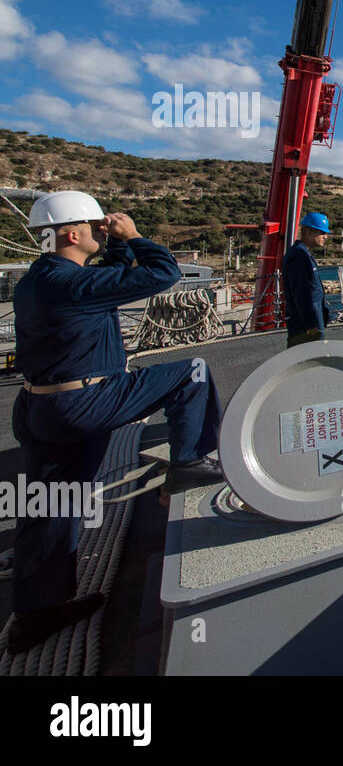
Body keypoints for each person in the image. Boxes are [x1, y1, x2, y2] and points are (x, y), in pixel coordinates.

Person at [9, 191, 224, 653]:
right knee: (192, 373)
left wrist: (113, 245)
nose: (100, 231)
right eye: (93, 226)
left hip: (40, 408)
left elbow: (113, 278)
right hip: (84, 403)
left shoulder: (39, 280)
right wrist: (136, 236)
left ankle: (34, 613)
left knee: (50, 504)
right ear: (72, 233)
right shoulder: (71, 285)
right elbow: (163, 274)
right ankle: (188, 461)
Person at [283, 211, 332, 348]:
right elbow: (301, 292)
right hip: (306, 327)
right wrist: (311, 324)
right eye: (322, 233)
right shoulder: (299, 256)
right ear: (310, 233)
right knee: (309, 363)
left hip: (311, 322)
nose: (325, 237)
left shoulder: (303, 254)